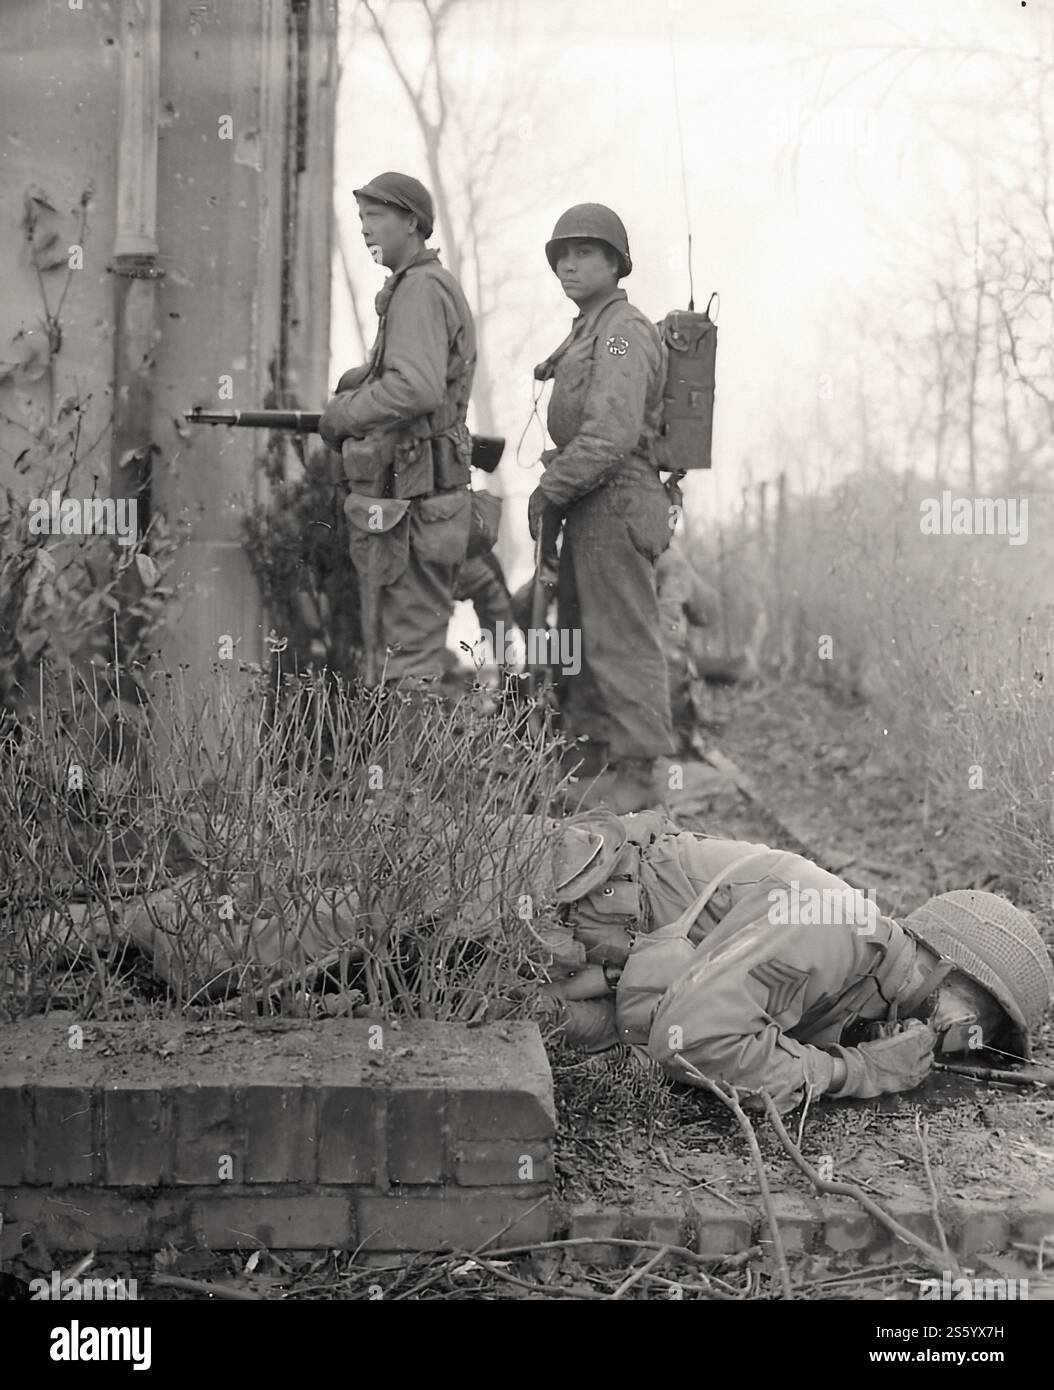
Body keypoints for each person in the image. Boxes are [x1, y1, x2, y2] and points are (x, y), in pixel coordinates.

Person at [530, 809, 1054, 1111]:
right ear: (945, 969)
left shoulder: (867, 983)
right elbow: (689, 1041)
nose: (957, 1048)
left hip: (556, 956)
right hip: (527, 904)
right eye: (969, 1032)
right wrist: (855, 1072)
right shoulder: (840, 930)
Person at [528, 204, 676, 813]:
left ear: (616, 263)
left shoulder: (620, 329)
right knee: (581, 640)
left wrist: (550, 489)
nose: (568, 263)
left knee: (619, 636)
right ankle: (594, 767)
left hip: (614, 497)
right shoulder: (588, 328)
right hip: (589, 499)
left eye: (584, 253)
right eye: (561, 254)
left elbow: (612, 433)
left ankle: (638, 776)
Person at [319, 172, 476, 686]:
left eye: (376, 217)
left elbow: (415, 389)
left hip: (419, 507)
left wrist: (343, 414)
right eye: (362, 218)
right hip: (412, 502)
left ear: (412, 223)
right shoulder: (417, 286)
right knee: (397, 661)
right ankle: (411, 767)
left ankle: (415, 770)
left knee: (406, 667)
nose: (365, 229)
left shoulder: (420, 289)